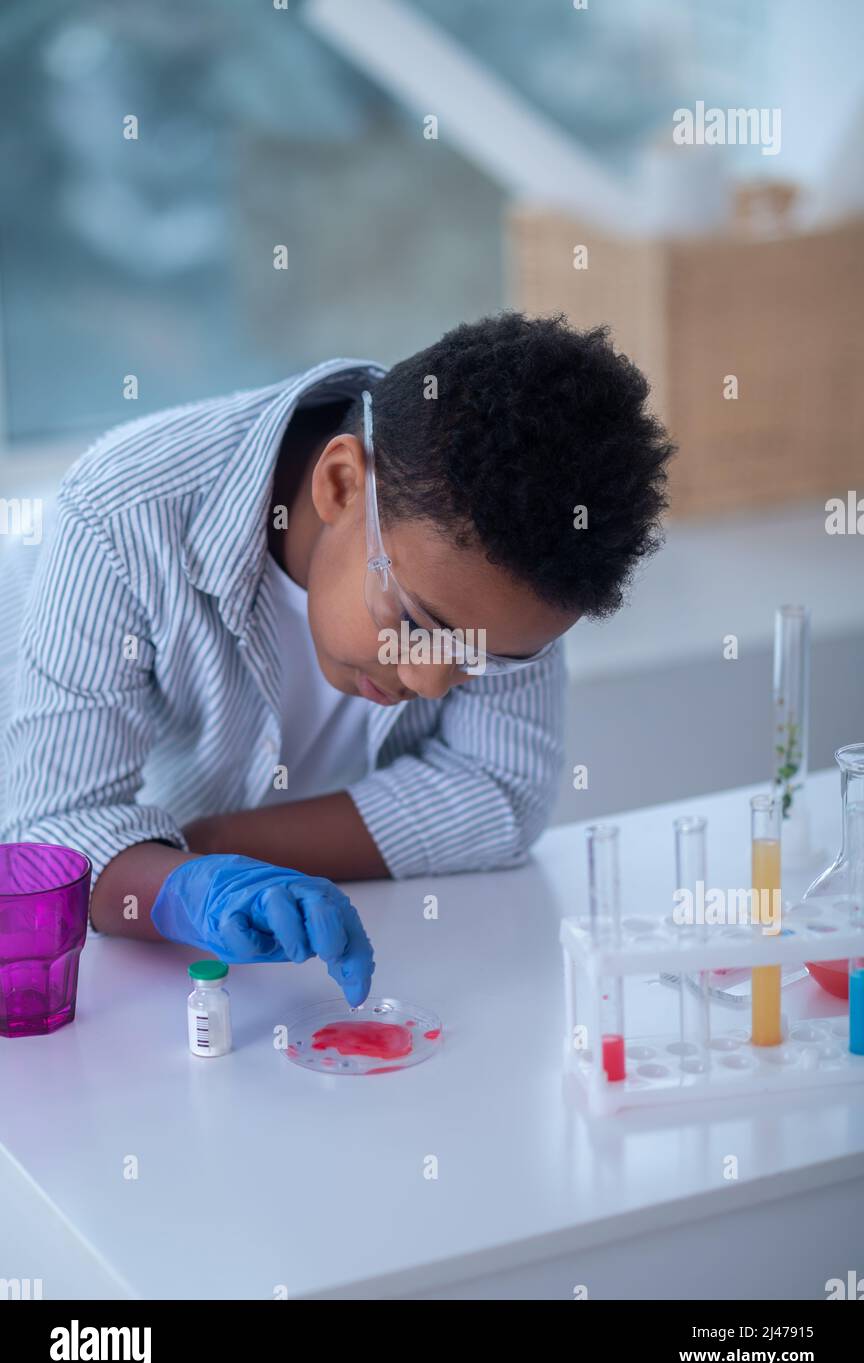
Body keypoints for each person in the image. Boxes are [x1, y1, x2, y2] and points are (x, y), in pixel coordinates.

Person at [0, 312, 673, 1005]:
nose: (432, 681)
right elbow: (48, 845)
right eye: (415, 624)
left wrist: (208, 851)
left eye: (486, 661)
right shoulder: (123, 512)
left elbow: (499, 793)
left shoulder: (508, 557)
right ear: (343, 484)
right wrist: (188, 886)